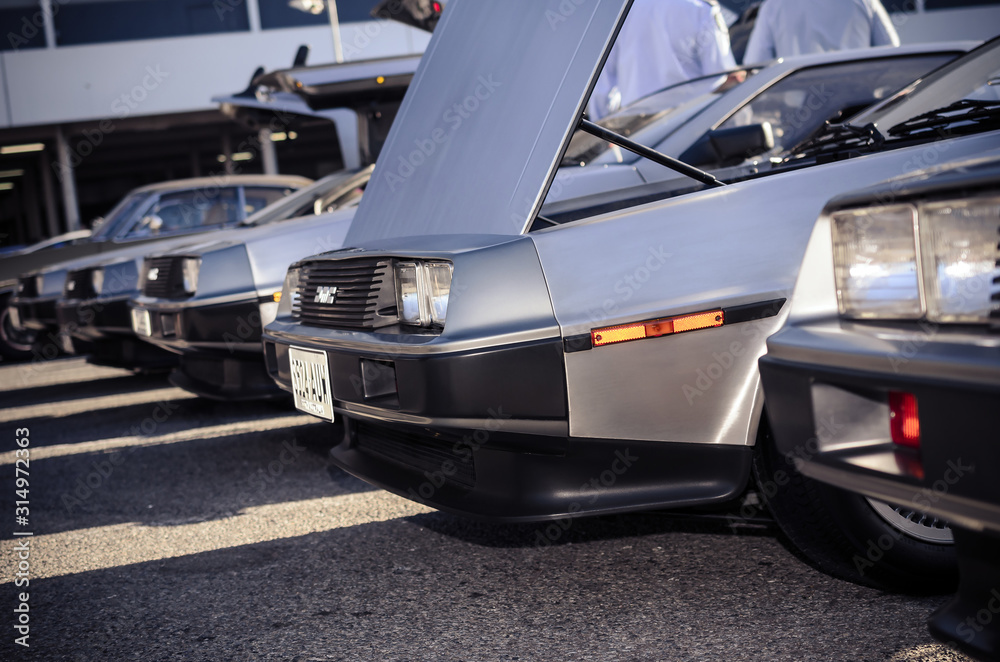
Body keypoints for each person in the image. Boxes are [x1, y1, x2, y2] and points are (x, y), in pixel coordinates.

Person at [589, 0, 737, 119]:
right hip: (693, 121)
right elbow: (723, 77)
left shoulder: (617, 14)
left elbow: (601, 89)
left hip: (636, 132)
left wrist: (605, 131)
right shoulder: (701, 10)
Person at [743, 0, 900, 65]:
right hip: (861, 109)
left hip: (801, 117)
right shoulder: (865, 2)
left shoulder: (773, 6)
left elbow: (755, 65)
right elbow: (892, 52)